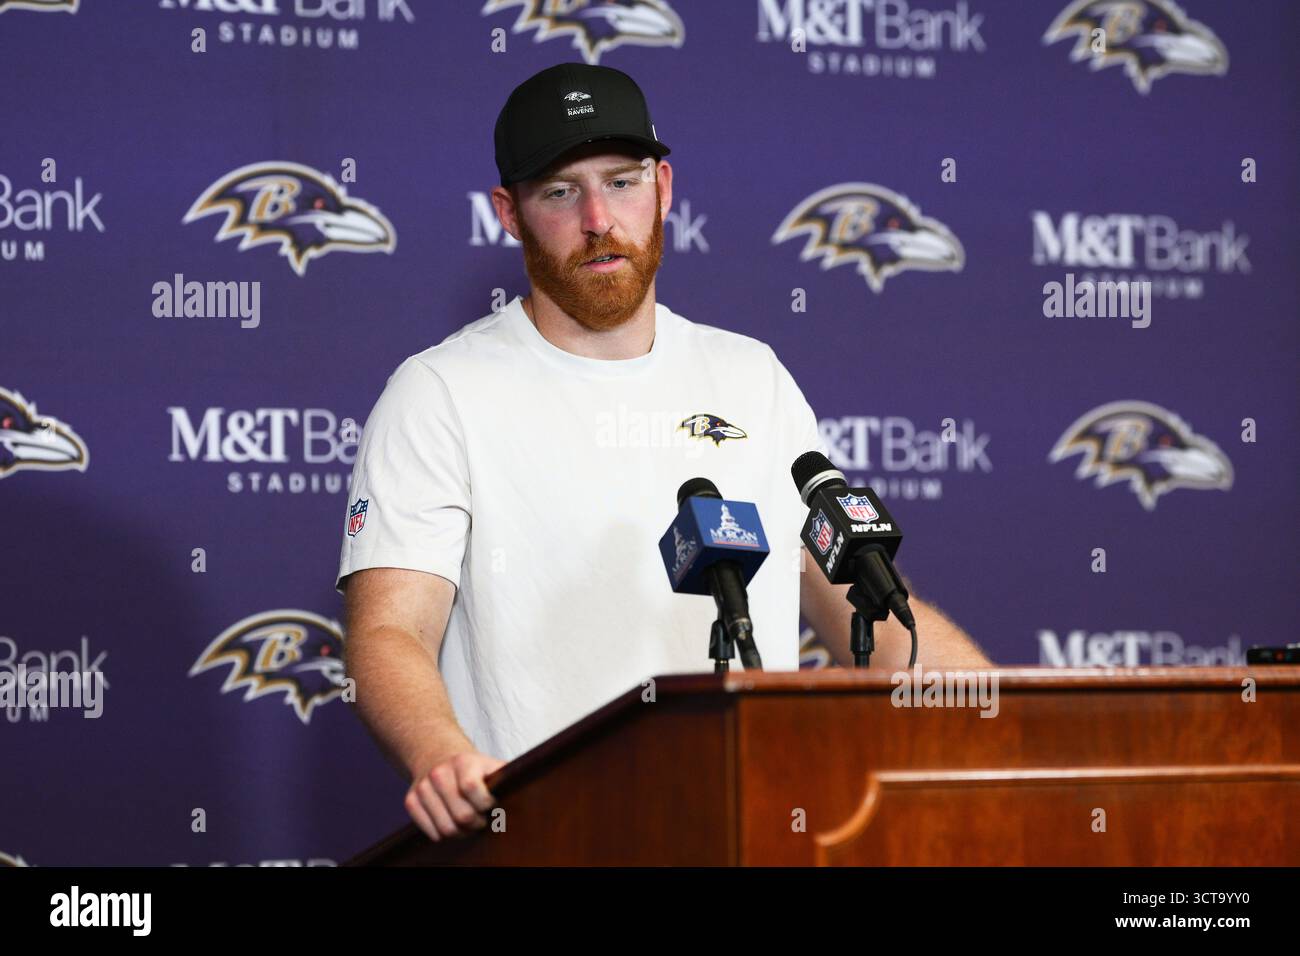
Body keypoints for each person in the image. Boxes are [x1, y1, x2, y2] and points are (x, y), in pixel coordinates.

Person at [336, 62, 992, 844]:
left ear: (665, 187)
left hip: (752, 835)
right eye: (559, 192)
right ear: (508, 213)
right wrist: (441, 754)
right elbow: (390, 632)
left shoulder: (752, 377)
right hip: (547, 843)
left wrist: (1003, 716)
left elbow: (866, 609)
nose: (598, 218)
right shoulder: (439, 392)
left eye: (621, 181)